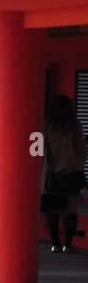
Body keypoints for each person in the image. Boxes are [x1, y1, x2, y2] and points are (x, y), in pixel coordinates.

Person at [44, 94, 87, 253]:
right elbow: (81, 149)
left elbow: (42, 150)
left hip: (53, 173)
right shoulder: (74, 125)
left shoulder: (47, 125)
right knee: (70, 210)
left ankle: (55, 244)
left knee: (53, 210)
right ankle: (67, 244)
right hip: (72, 173)